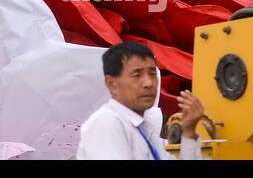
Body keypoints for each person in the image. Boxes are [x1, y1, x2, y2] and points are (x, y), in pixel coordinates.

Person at [76, 41, 208, 160]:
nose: (148, 83)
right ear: (112, 84)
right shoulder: (106, 123)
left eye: (152, 74)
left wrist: (189, 131)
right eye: (136, 75)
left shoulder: (145, 130)